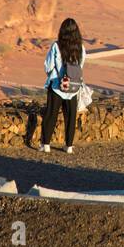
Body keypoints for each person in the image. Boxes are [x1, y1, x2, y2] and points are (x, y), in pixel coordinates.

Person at [40, 17, 86, 154]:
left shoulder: (56, 46)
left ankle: (46, 144)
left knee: (51, 115)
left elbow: (48, 66)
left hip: (56, 86)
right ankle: (69, 146)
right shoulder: (81, 48)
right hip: (74, 87)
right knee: (71, 116)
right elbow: (81, 66)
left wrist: (54, 75)